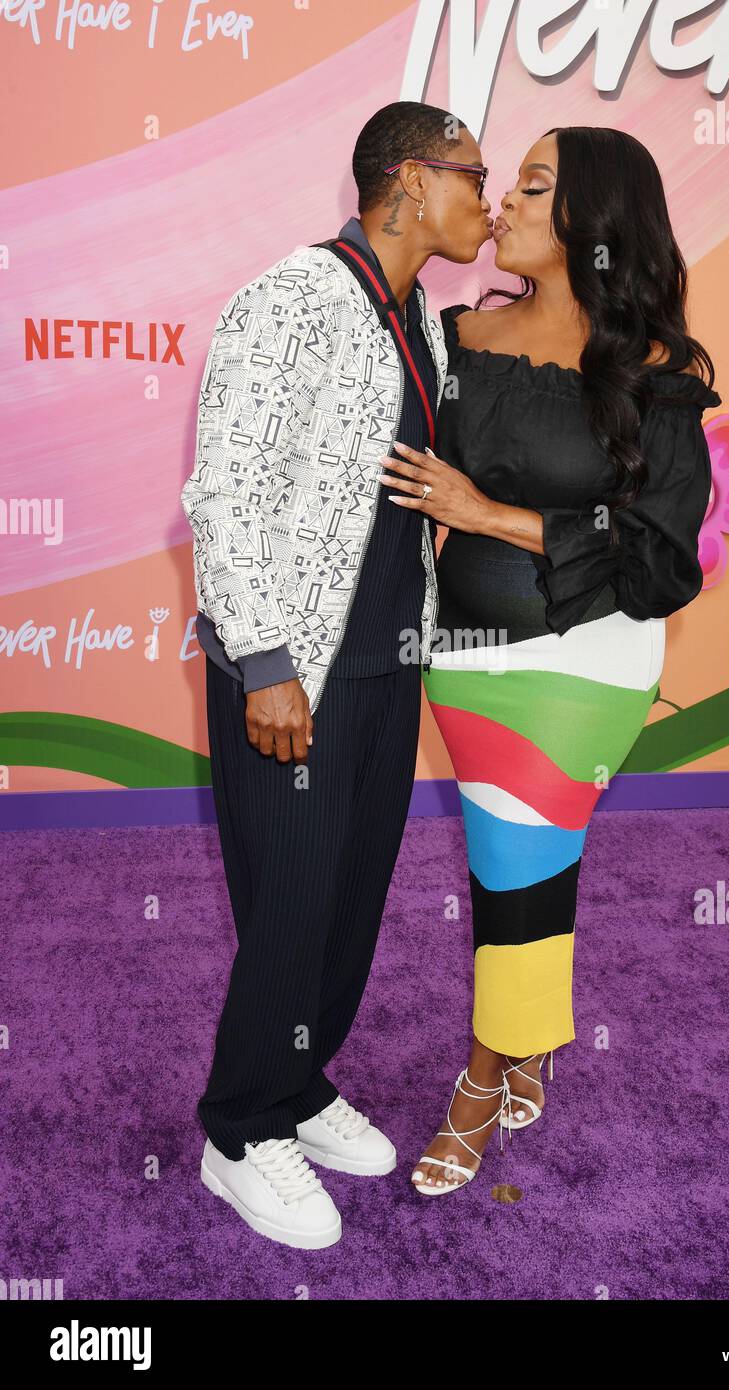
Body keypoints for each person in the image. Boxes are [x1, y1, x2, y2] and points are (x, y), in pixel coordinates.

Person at [376, 126, 721, 1195]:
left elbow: (662, 555)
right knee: (530, 861)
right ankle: (529, 1038)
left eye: (532, 186)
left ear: (594, 225)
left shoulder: (654, 374)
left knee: (509, 866)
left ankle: (478, 1082)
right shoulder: (459, 341)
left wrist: (492, 513)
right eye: (508, 183)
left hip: (588, 663)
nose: (504, 204)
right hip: (463, 658)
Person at [180, 101, 491, 1245]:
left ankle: (300, 1085)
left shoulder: (426, 317)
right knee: (293, 900)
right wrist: (263, 662)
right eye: (473, 177)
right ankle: (239, 1127)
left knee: (352, 899)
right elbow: (227, 490)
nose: (488, 200)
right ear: (409, 183)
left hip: (383, 663)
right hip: (290, 671)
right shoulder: (290, 298)